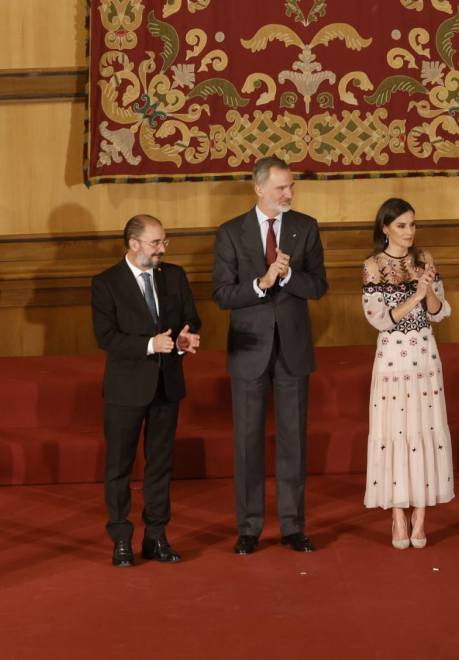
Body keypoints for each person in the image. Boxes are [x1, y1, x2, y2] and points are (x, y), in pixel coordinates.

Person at [212, 156, 328, 554]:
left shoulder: (305, 227)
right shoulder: (231, 232)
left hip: (293, 350)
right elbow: (222, 295)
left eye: (291, 186)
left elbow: (319, 287)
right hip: (249, 351)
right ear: (259, 189)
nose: (289, 193)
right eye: (281, 187)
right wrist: (261, 282)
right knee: (248, 443)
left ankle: (293, 527)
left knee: (293, 441)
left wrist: (289, 275)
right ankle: (249, 528)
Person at [91, 214, 201, 567]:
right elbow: (106, 337)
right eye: (155, 243)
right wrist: (150, 345)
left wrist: (183, 340)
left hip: (167, 385)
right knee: (119, 467)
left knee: (160, 466)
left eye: (164, 242)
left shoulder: (174, 275)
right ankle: (121, 538)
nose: (162, 249)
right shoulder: (106, 282)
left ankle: (156, 536)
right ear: (133, 244)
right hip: (125, 389)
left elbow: (191, 318)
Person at [362, 198, 454, 549]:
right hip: (393, 359)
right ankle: (398, 514)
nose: (409, 231)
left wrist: (427, 292)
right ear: (385, 228)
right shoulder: (373, 266)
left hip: (424, 354)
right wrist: (415, 295)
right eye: (401, 225)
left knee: (424, 427)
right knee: (396, 430)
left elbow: (439, 311)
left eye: (412, 224)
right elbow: (380, 319)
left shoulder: (425, 258)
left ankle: (421, 515)